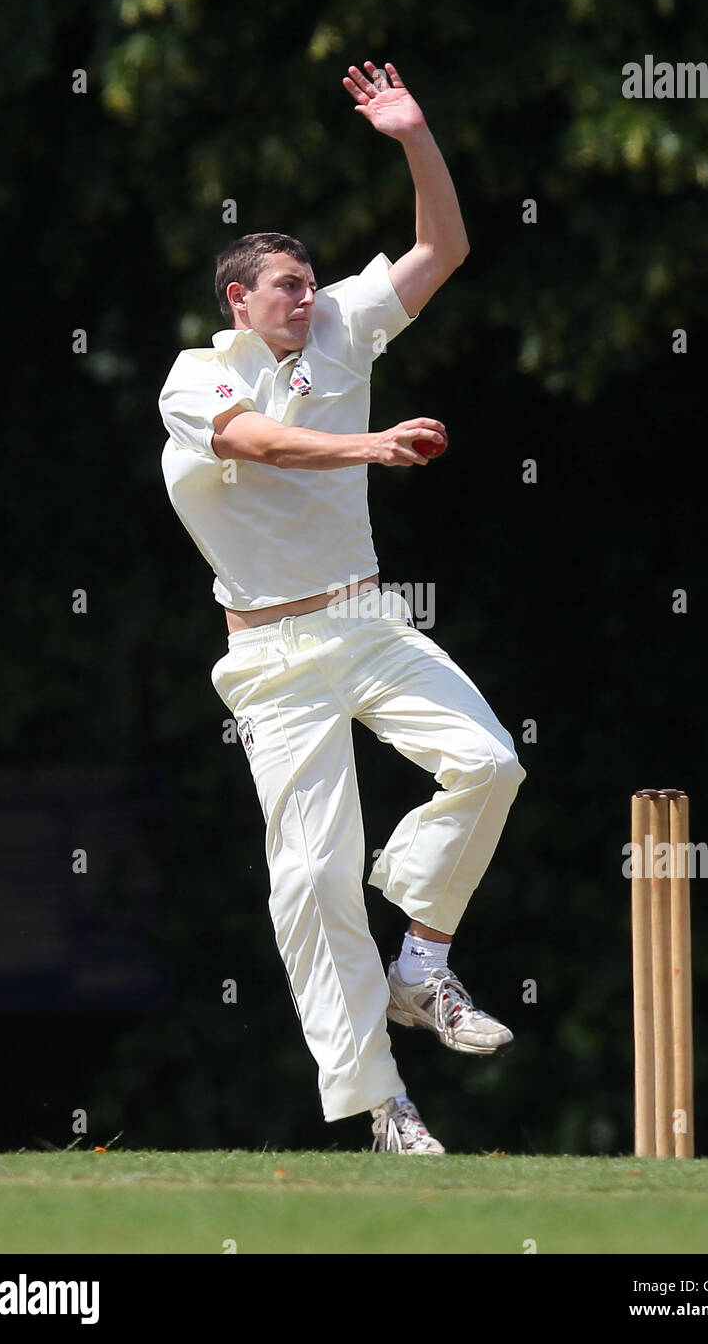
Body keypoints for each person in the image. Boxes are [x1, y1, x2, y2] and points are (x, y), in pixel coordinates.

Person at [158, 60, 526, 1154]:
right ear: (239, 299)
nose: (307, 294)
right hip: (269, 660)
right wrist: (369, 444)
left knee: (490, 760)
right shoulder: (195, 374)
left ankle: (423, 957)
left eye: (313, 279)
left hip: (364, 622)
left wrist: (414, 136)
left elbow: (442, 250)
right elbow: (254, 443)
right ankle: (381, 1103)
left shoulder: (340, 329)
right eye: (285, 284)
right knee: (313, 880)